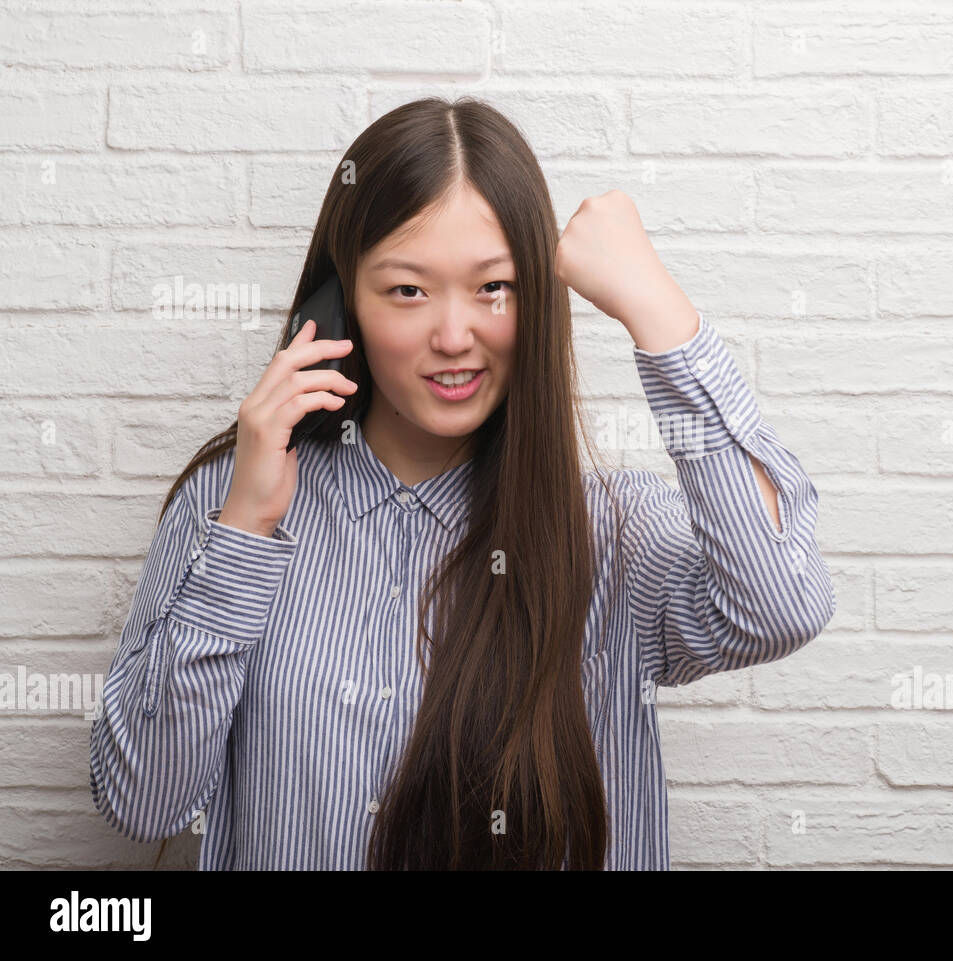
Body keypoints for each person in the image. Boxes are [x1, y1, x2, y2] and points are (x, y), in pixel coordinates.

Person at [89, 97, 836, 870]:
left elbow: (781, 605)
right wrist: (243, 531)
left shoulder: (614, 533)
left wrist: (661, 315)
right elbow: (143, 802)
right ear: (342, 303)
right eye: (408, 291)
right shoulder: (231, 501)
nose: (454, 337)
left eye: (494, 288)